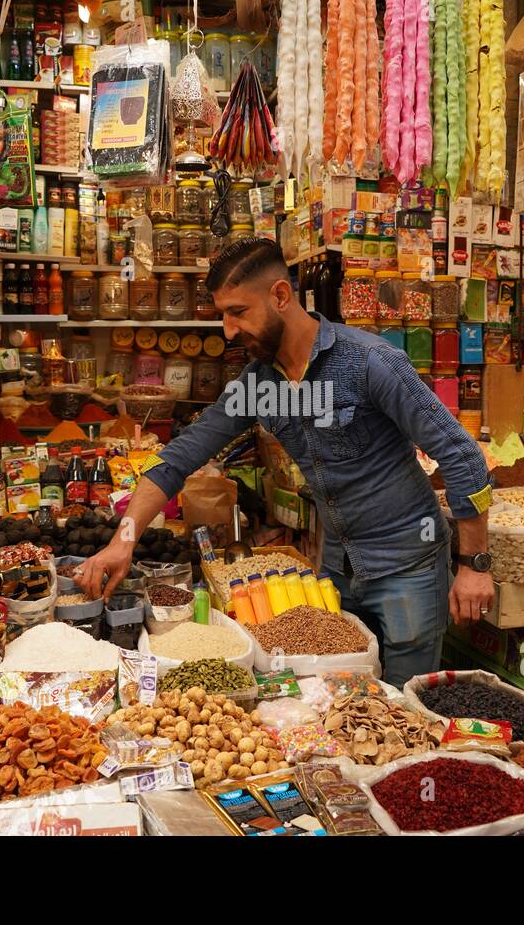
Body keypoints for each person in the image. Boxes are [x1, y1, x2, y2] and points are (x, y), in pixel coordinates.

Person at [77, 237, 495, 686]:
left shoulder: (371, 361)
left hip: (407, 566)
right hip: (337, 567)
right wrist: (124, 539)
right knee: (343, 703)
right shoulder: (258, 383)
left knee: (409, 702)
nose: (228, 330)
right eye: (223, 314)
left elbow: (462, 453)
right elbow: (178, 459)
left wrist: (474, 565)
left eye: (238, 311)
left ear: (280, 295)